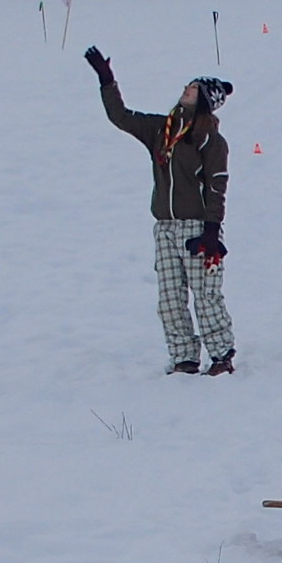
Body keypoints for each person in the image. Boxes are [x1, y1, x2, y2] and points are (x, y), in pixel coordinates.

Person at [84, 47, 235, 375]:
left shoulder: (212, 141)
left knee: (206, 297)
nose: (186, 90)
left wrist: (212, 230)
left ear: (205, 101)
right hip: (165, 228)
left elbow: (216, 187)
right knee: (169, 300)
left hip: (198, 228)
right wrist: (106, 80)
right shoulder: (161, 130)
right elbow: (120, 117)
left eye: (193, 89)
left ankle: (222, 356)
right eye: (187, 86)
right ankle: (184, 358)